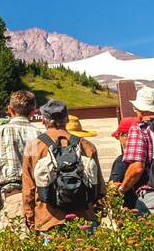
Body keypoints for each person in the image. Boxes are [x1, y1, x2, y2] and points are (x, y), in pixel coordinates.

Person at [22, 99, 106, 234]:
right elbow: (100, 187)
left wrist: (31, 220)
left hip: (48, 221)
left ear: (44, 120)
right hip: (84, 219)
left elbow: (29, 189)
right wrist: (95, 214)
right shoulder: (86, 146)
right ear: (67, 119)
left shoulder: (34, 147)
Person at [0, 90, 42, 238]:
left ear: (9, 110)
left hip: (12, 196)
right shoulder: (40, 135)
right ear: (33, 112)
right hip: (39, 199)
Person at [106, 117, 139, 210]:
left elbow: (113, 187)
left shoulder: (121, 161)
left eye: (120, 135)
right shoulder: (150, 157)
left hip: (131, 213)